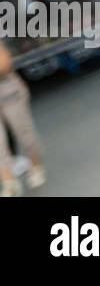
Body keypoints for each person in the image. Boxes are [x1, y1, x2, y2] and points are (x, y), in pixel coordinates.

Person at [0, 42, 45, 196]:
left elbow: (4, 64)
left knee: (24, 134)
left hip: (9, 94)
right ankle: (9, 182)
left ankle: (36, 166)